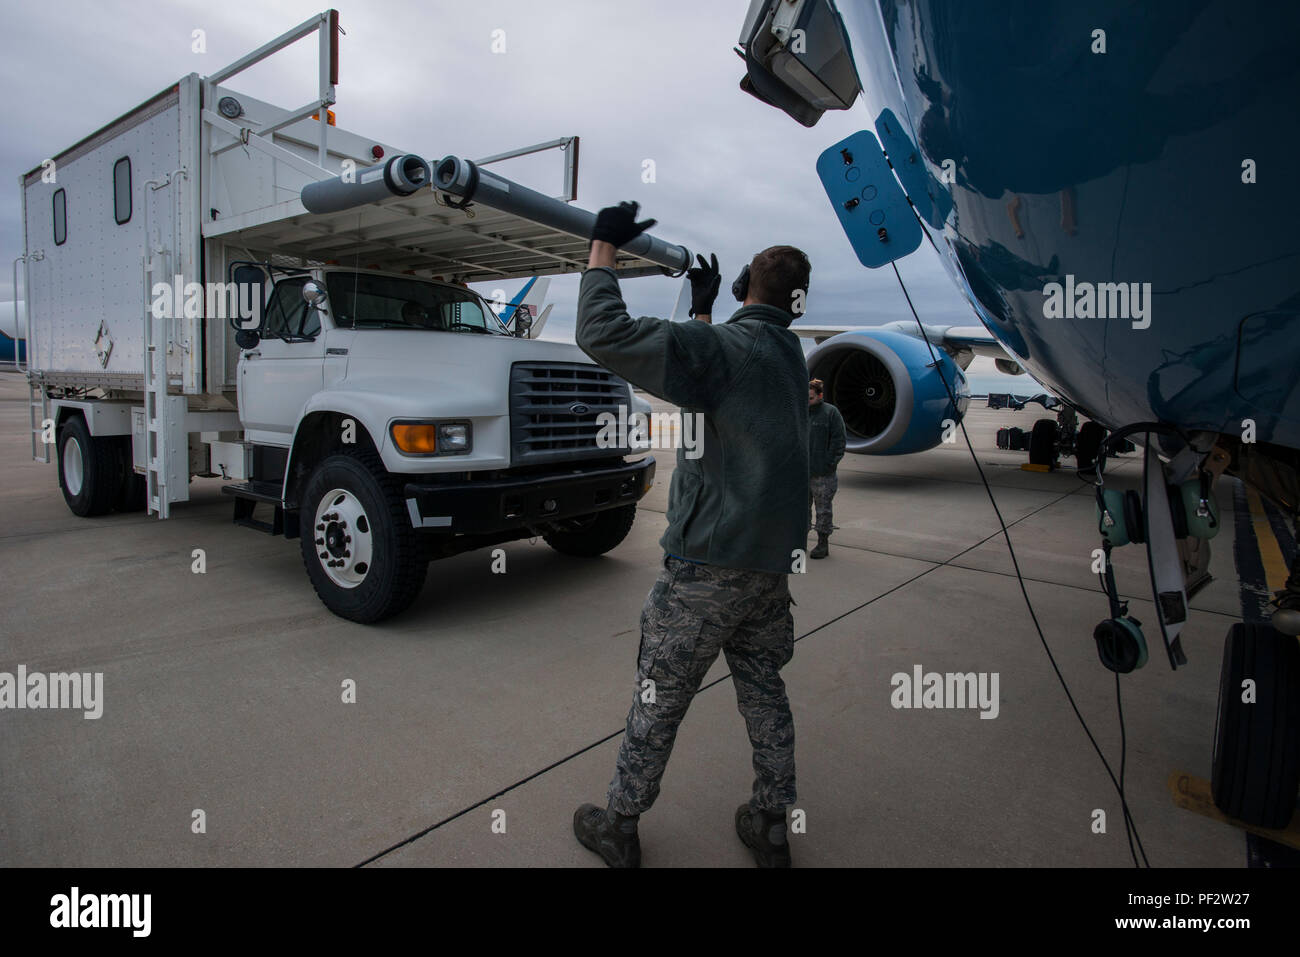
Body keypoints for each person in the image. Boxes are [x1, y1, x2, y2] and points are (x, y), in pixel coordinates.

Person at [571, 201, 810, 867]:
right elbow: (712, 390)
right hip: (769, 571)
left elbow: (601, 331)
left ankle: (619, 824)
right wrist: (705, 311)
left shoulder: (730, 349)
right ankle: (770, 820)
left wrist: (603, 248)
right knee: (764, 691)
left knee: (660, 693)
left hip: (708, 567)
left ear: (742, 290)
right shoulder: (791, 356)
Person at [807, 378, 846, 559]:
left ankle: (823, 543)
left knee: (823, 510)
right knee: (800, 509)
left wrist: (828, 464)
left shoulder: (830, 413)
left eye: (811, 398)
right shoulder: (800, 413)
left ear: (820, 396)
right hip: (802, 473)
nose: (807, 402)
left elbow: (839, 442)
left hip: (822, 474)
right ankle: (800, 539)